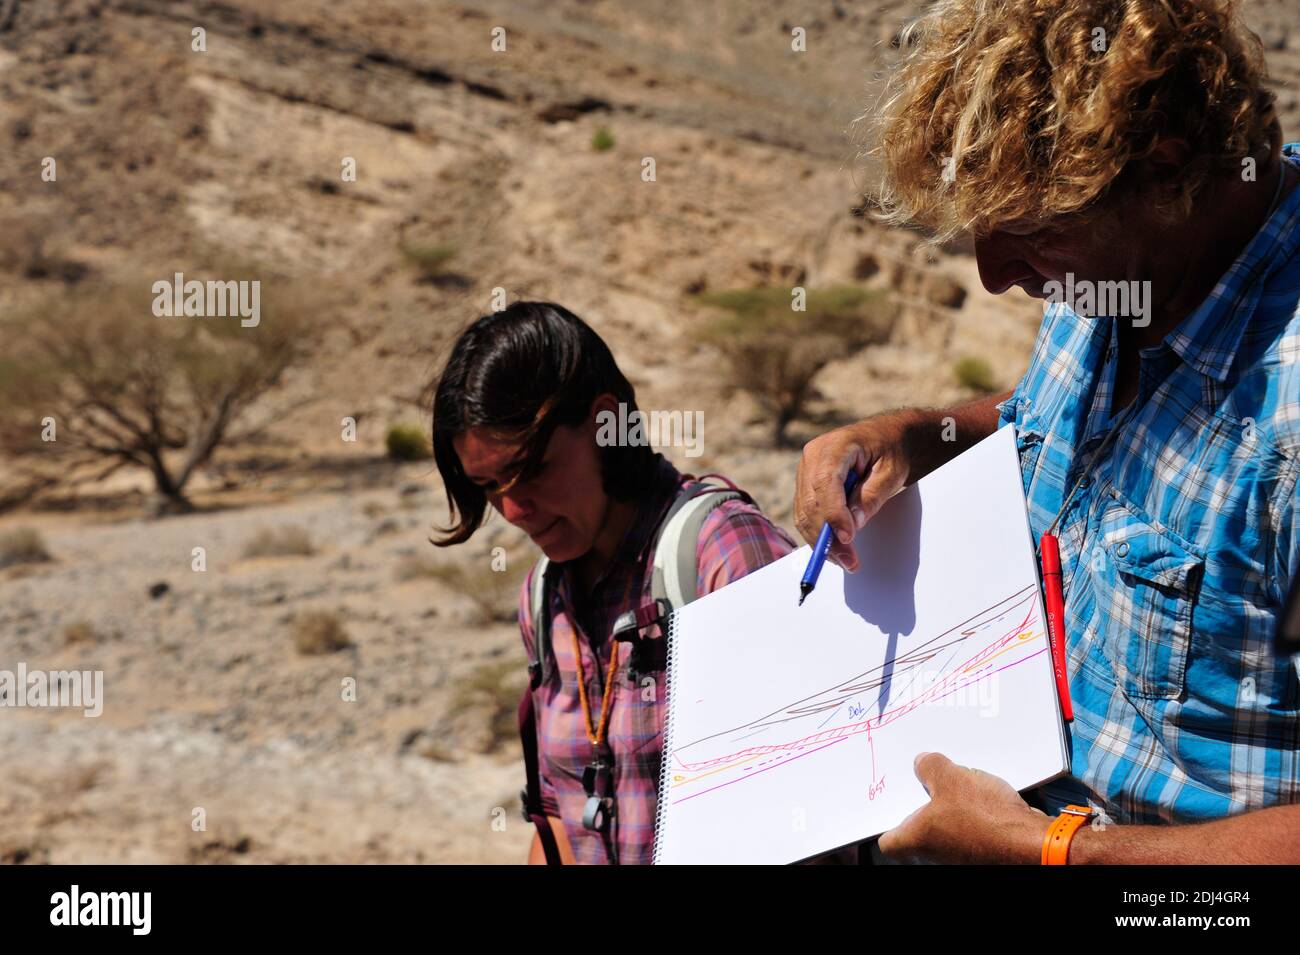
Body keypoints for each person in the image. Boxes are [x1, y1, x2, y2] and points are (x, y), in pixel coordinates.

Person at [796, 0, 1300, 862]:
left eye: (1030, 233)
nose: (994, 277)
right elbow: (1052, 417)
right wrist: (924, 434)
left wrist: (1051, 849)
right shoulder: (1127, 267)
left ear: (1166, 170)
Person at [430, 301, 795, 864]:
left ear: (605, 424)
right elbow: (556, 814)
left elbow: (807, 802)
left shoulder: (721, 555)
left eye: (528, 471)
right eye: (488, 485)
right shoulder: (542, 598)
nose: (512, 508)